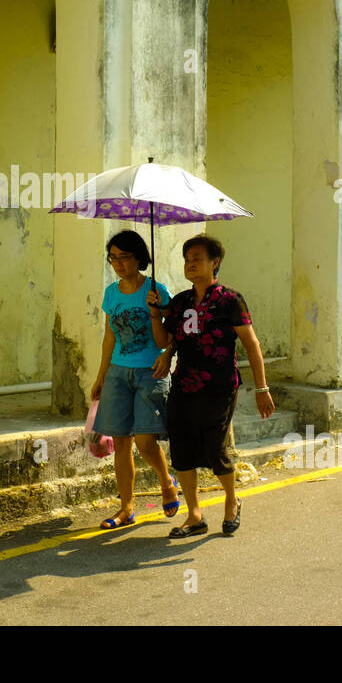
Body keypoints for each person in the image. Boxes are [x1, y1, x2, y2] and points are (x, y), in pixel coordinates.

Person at [148, 233, 273, 537]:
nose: (190, 265)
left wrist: (262, 388)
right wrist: (156, 315)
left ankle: (232, 500)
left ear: (214, 262)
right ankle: (194, 515)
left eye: (197, 259)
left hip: (219, 387)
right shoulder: (180, 302)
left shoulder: (230, 300)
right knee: (182, 449)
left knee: (214, 447)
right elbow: (166, 338)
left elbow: (251, 345)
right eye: (187, 260)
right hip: (183, 386)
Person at [90, 230, 182, 528]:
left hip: (149, 373)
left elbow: (173, 333)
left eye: (124, 257)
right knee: (121, 441)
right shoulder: (111, 293)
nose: (117, 263)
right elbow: (109, 337)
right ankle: (126, 507)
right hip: (118, 372)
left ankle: (166, 480)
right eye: (113, 258)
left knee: (145, 441)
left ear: (139, 258)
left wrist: (167, 354)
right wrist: (101, 375)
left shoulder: (157, 290)